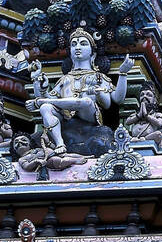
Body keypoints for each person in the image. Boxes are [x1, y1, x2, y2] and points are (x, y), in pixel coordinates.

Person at [27, 25, 133, 154]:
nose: (77, 47)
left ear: (92, 52)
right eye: (73, 44)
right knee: (45, 108)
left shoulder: (98, 77)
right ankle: (60, 143)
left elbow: (117, 98)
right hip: (66, 118)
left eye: (83, 44)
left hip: (88, 115)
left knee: (86, 101)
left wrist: (123, 74)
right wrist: (37, 81)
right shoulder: (65, 79)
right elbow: (49, 100)